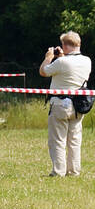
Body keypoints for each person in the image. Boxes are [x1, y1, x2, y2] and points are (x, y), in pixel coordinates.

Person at [39, 30, 91, 177]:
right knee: (74, 140)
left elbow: (43, 71)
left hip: (60, 104)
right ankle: (74, 171)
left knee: (58, 139)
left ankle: (58, 171)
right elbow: (70, 70)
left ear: (65, 45)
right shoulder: (87, 61)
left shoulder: (61, 62)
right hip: (78, 105)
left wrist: (48, 57)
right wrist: (62, 56)